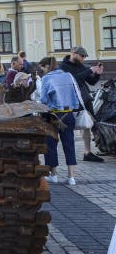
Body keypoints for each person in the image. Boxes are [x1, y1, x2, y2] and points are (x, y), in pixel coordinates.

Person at [60, 46, 105, 163]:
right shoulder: (63, 66)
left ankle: (88, 152)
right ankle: (76, 155)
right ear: (73, 53)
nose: (83, 58)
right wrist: (89, 70)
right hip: (73, 100)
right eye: (82, 56)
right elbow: (72, 80)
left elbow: (91, 82)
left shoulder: (80, 65)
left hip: (85, 99)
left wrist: (97, 74)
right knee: (75, 125)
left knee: (89, 124)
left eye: (84, 56)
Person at [39, 57, 79, 185]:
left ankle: (54, 175)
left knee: (50, 145)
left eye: (42, 68)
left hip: (53, 116)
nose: (42, 71)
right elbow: (75, 93)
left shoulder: (46, 78)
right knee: (69, 145)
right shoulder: (68, 76)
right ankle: (71, 177)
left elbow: (43, 99)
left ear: (46, 66)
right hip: (68, 114)